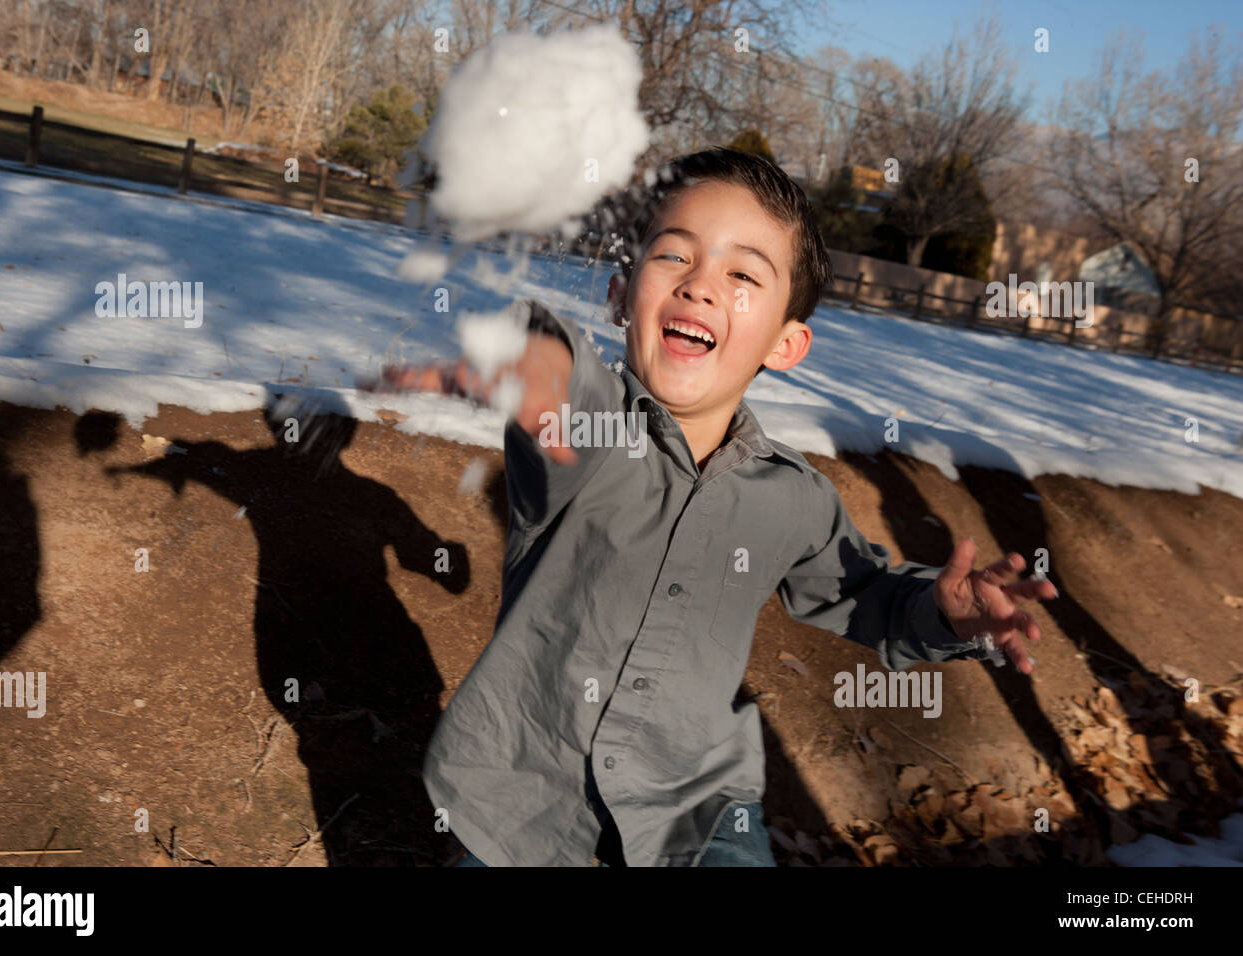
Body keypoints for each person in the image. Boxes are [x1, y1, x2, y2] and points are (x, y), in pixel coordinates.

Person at [380, 147, 1057, 866]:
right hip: (521, 806)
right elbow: (560, 369)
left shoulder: (791, 496)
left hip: (696, 809)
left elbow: (863, 594)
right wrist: (531, 359)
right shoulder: (594, 431)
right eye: (674, 257)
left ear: (786, 343)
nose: (701, 286)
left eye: (742, 275)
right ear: (620, 294)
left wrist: (944, 612)